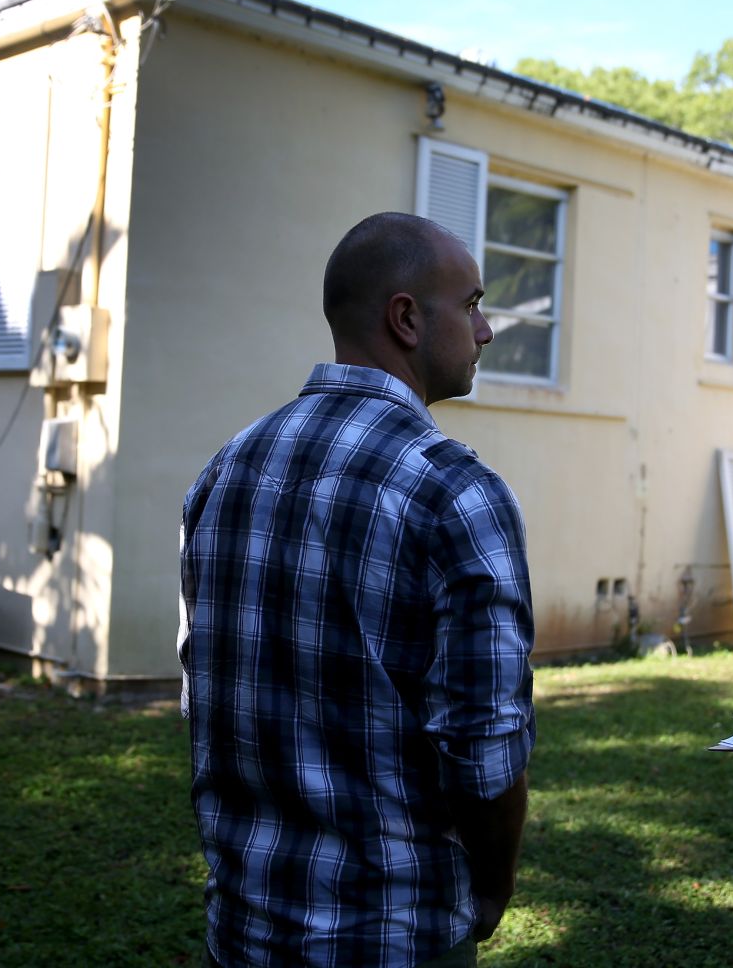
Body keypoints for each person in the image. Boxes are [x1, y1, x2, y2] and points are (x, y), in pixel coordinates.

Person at [179, 212, 536, 967]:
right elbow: (486, 748)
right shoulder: (455, 492)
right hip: (390, 940)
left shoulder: (225, 468)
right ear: (406, 318)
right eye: (471, 305)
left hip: (239, 933)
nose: (487, 331)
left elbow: (202, 692)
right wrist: (494, 886)